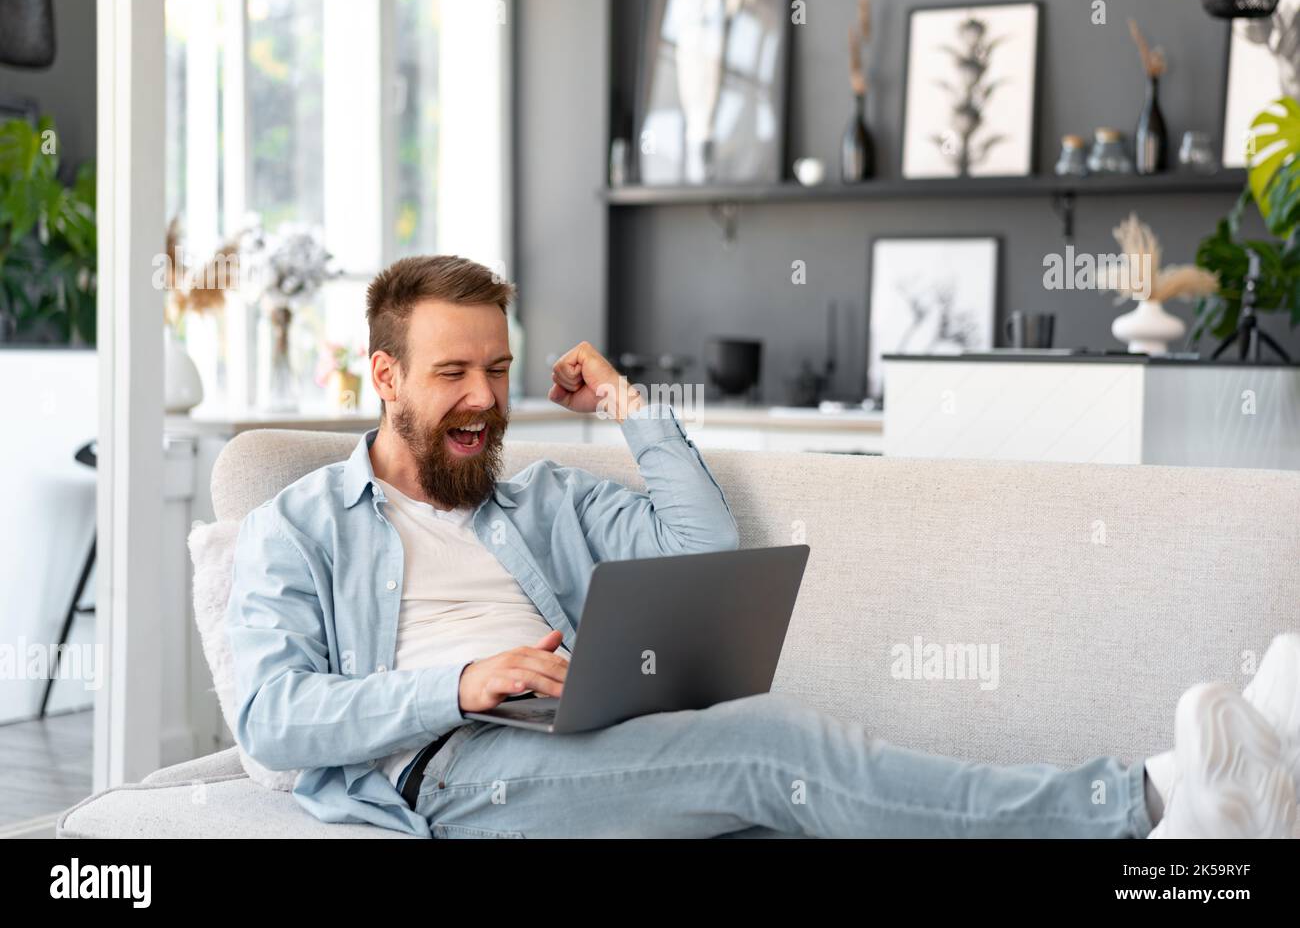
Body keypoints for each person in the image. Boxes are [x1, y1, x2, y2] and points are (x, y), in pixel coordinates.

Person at [226, 255, 1299, 839]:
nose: (484, 397)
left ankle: (1254, 770)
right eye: (453, 371)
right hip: (451, 769)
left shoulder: (539, 493)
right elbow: (271, 717)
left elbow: (701, 546)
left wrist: (629, 408)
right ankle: (1152, 802)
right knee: (774, 747)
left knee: (793, 784)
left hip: (569, 729)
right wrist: (458, 683)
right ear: (383, 376)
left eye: (497, 369)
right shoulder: (303, 525)